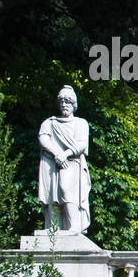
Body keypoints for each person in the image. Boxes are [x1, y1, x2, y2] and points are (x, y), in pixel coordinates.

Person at [38, 85, 91, 234]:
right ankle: (53, 228)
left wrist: (65, 154)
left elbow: (82, 144)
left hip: (71, 163)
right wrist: (56, 154)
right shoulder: (50, 123)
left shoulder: (81, 123)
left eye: (68, 102)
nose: (64, 105)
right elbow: (43, 139)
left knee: (66, 190)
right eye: (61, 101)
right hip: (50, 162)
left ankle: (73, 226)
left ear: (74, 105)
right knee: (51, 194)